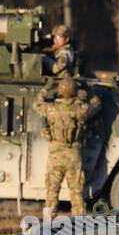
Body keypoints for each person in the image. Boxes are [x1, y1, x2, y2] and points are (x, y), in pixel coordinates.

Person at [32, 77, 95, 215]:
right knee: (77, 193)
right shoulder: (81, 109)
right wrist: (88, 88)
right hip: (74, 155)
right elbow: (96, 104)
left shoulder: (51, 109)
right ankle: (79, 227)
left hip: (55, 155)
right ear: (74, 92)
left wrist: (47, 87)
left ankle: (48, 225)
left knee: (52, 192)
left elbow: (36, 105)